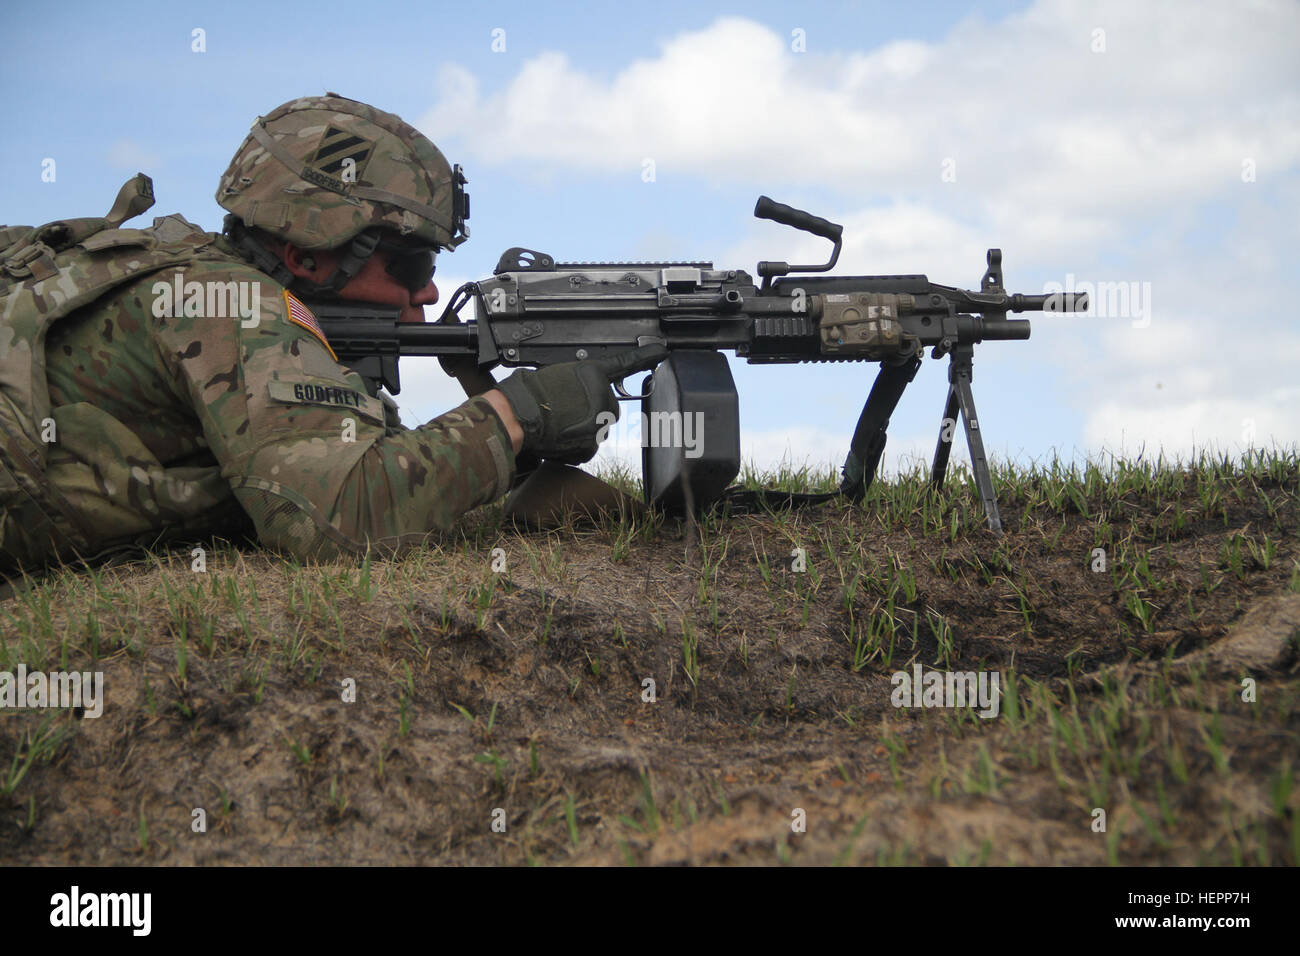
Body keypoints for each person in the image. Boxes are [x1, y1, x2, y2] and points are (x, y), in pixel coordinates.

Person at [0, 93, 659, 572]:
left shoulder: (200, 276)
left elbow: (322, 452)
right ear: (309, 254)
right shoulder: (232, 306)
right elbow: (339, 519)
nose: (429, 290)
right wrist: (519, 415)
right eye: (411, 265)